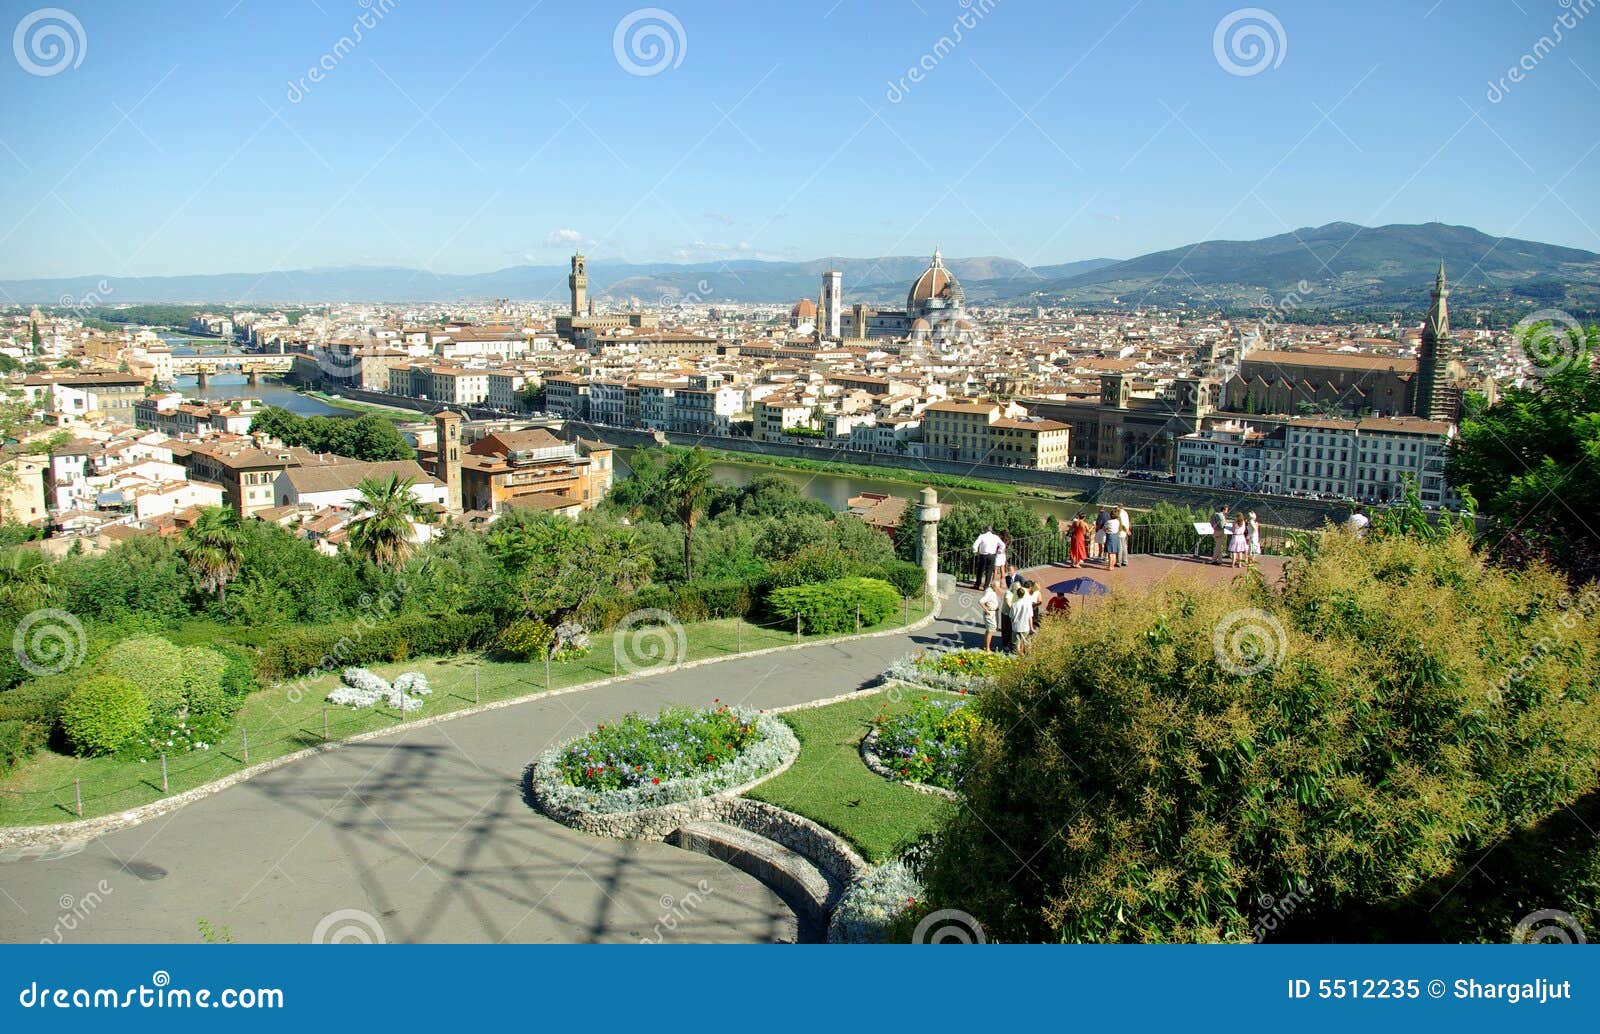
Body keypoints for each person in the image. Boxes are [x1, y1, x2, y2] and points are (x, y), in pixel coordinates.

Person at [1009, 579, 1038, 655]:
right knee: (1024, 642)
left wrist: (1012, 624)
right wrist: (1031, 627)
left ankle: (1017, 654)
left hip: (1016, 626)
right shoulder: (1028, 604)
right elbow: (1030, 616)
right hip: (1025, 626)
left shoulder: (1014, 605)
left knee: (1016, 643)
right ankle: (1022, 654)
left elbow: (1011, 617)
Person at [979, 580, 1002, 652]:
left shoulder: (990, 590)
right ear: (994, 586)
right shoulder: (989, 593)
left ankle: (986, 646)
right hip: (990, 613)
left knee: (989, 630)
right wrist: (986, 610)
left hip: (992, 612)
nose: (998, 589)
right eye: (997, 587)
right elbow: (981, 601)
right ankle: (987, 648)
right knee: (991, 631)